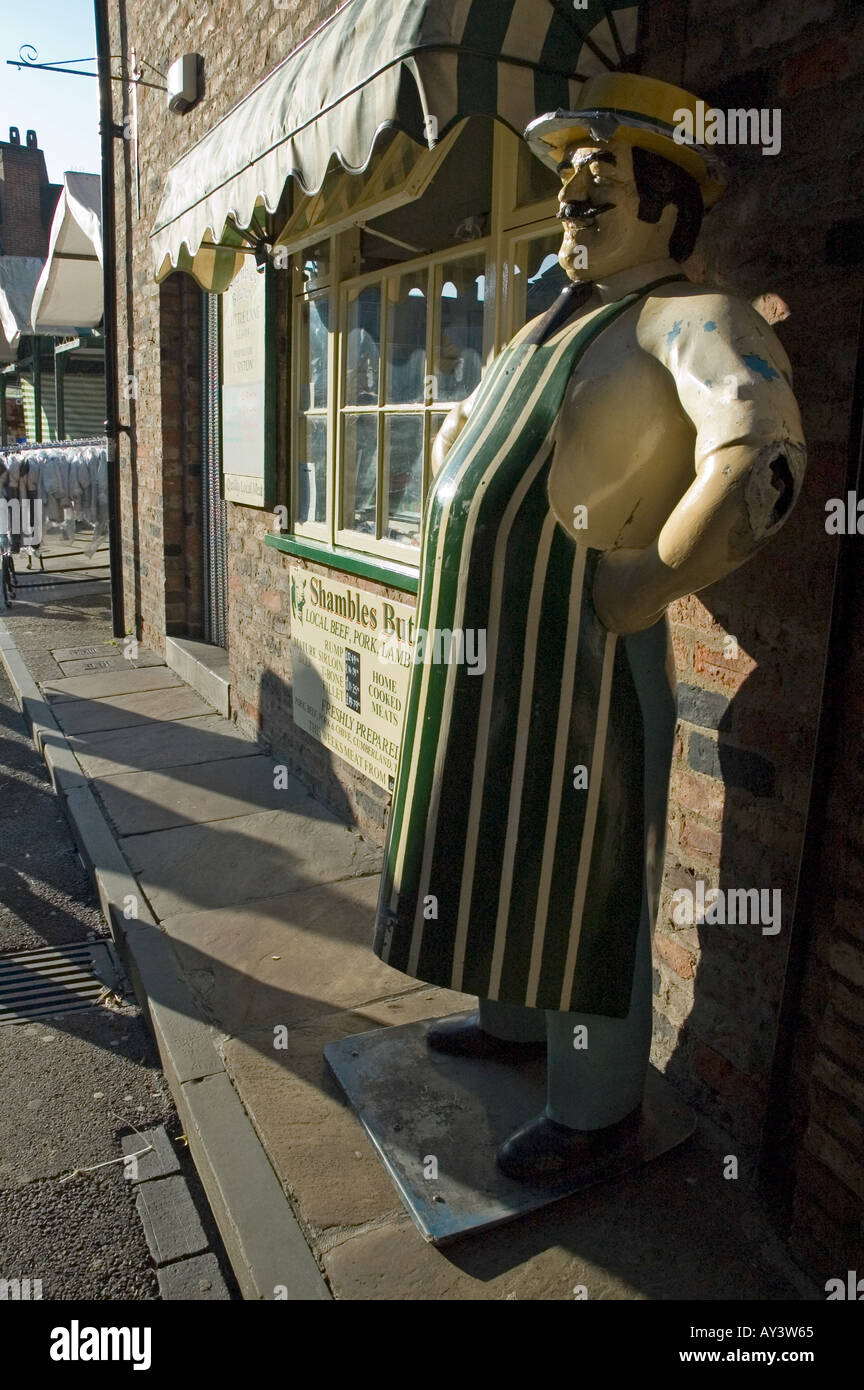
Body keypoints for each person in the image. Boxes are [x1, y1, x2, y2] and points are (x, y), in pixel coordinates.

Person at [373, 72, 806, 1181]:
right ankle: (513, 1023)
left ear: (668, 203)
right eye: (565, 181)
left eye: (599, 179)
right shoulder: (548, 324)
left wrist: (640, 585)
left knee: (589, 877)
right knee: (495, 834)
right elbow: (469, 439)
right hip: (490, 651)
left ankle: (596, 1104)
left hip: (587, 657)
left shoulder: (690, 317)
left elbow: (761, 459)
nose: (573, 198)